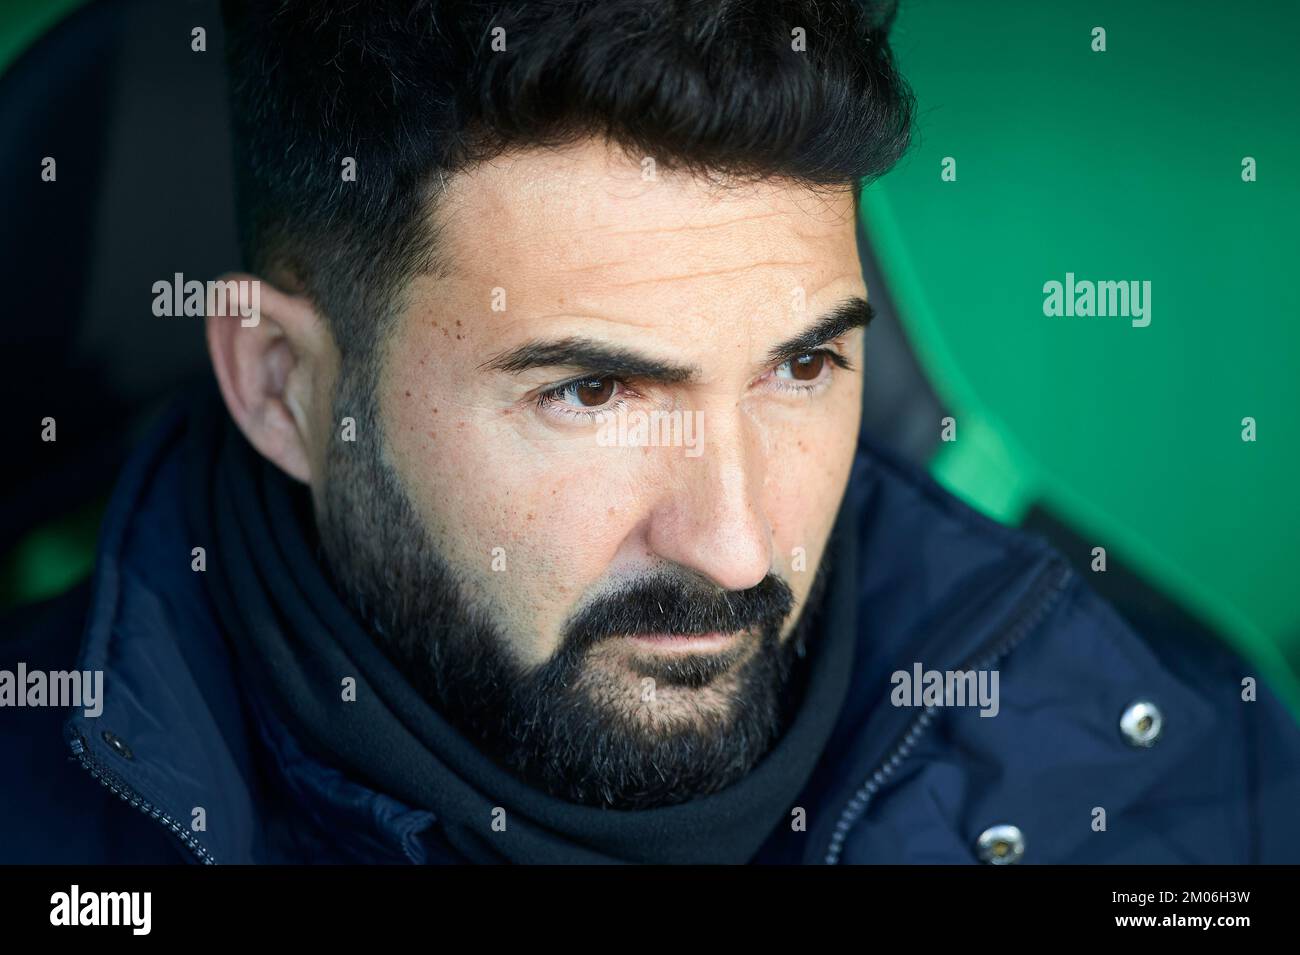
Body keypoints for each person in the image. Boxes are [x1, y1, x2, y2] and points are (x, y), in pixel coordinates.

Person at [3, 0, 1298, 865]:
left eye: (803, 367)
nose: (738, 551)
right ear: (282, 385)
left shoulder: (1180, 797)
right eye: (593, 394)